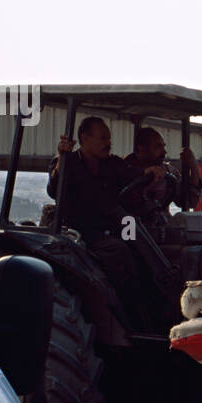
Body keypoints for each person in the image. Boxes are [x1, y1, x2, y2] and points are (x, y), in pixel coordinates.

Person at [47, 115, 159, 309]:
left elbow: (133, 173)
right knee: (120, 250)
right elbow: (54, 188)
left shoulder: (111, 163)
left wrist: (152, 172)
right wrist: (62, 158)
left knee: (141, 237)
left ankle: (152, 297)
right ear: (85, 139)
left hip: (113, 226)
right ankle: (129, 306)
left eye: (109, 138)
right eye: (103, 138)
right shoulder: (68, 163)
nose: (108, 143)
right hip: (81, 232)